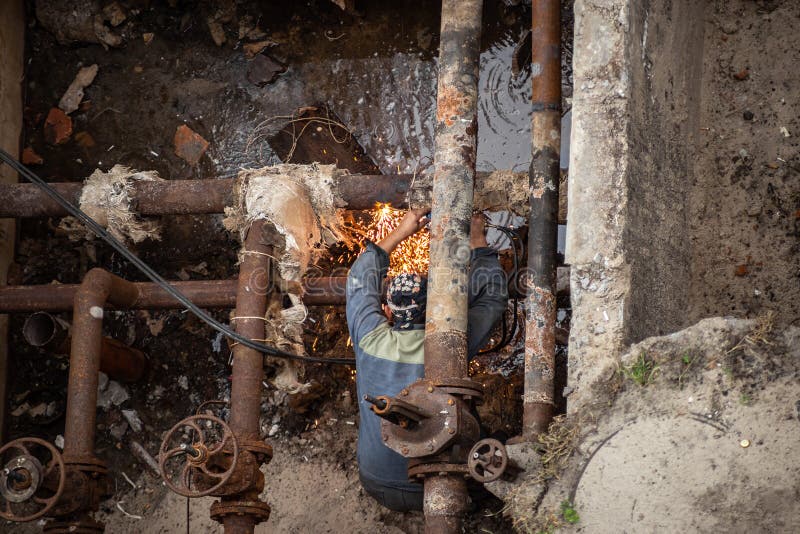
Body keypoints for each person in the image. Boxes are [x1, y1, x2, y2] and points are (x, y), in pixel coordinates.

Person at [345, 208, 508, 512]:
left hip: (377, 483)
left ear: (388, 312)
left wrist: (401, 231)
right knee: (488, 437)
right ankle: (482, 501)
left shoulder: (368, 339)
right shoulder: (453, 340)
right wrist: (478, 243)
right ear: (435, 315)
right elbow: (493, 296)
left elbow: (358, 282)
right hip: (445, 485)